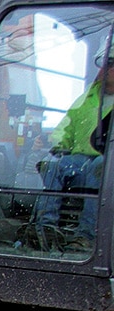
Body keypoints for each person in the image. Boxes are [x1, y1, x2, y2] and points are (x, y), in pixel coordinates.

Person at [35, 53, 114, 240]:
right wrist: (51, 143)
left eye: (111, 64)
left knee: (100, 165)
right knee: (53, 166)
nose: (106, 69)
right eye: (105, 64)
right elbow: (66, 128)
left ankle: (86, 236)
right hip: (81, 162)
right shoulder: (88, 97)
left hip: (107, 163)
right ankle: (44, 229)